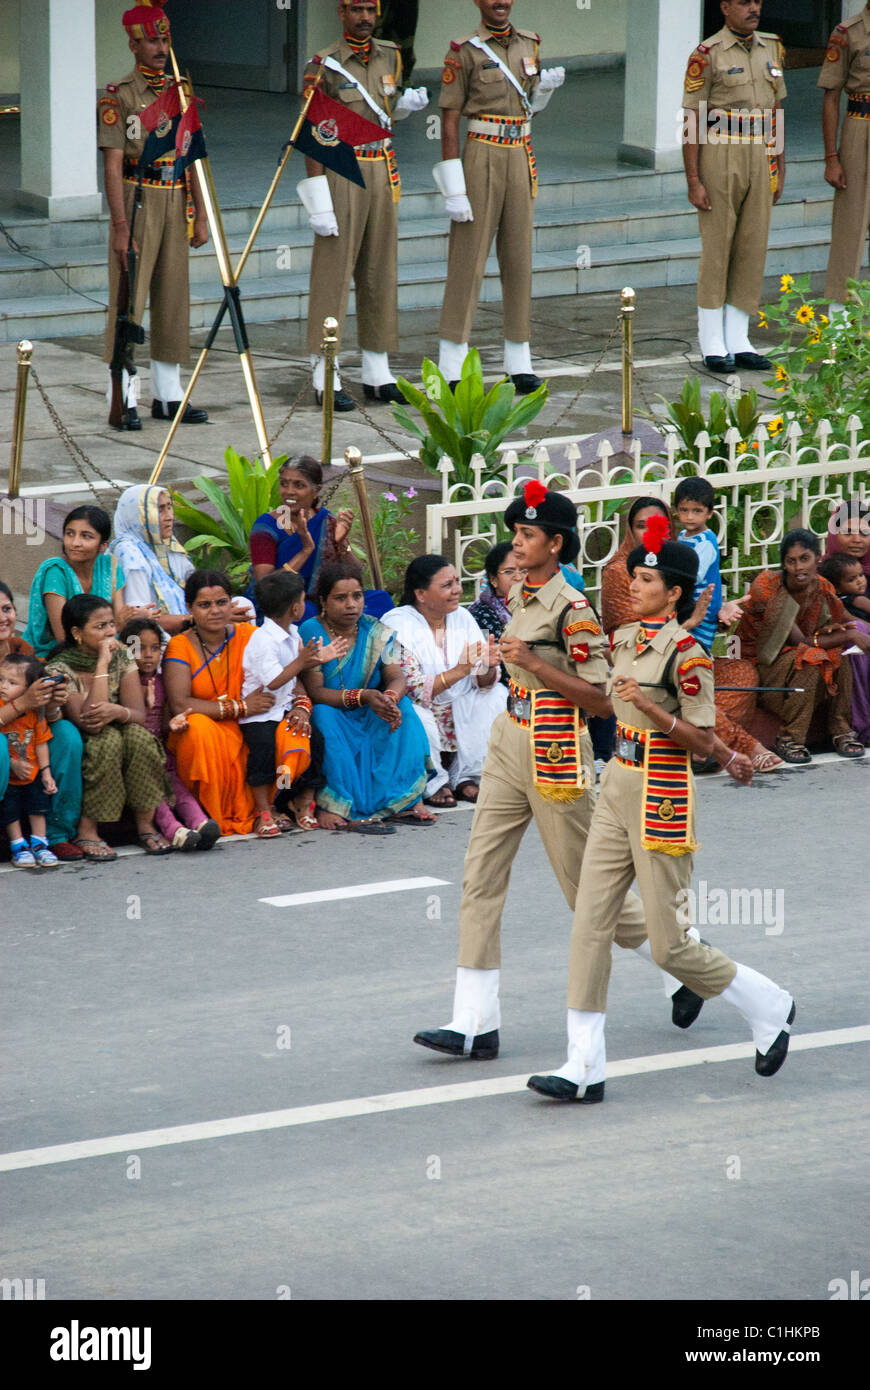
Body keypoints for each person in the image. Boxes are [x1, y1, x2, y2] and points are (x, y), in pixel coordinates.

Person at [412, 484, 717, 1063]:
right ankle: (474, 1022)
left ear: (556, 543)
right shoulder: (518, 595)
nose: (517, 543)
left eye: (528, 535)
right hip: (508, 738)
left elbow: (602, 700)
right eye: (516, 533)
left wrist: (530, 664)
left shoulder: (573, 610)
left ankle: (684, 957)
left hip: (555, 749)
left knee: (585, 893)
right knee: (479, 878)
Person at [527, 520, 795, 1103]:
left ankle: (767, 1002)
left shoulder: (688, 655)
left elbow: (698, 739)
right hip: (617, 782)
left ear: (673, 593)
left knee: (671, 945)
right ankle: (583, 1066)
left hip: (663, 793)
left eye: (646, 579)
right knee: (590, 922)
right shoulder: (623, 637)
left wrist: (658, 709)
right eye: (635, 575)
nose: (635, 584)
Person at [299, 1, 428, 409]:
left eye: (371, 10)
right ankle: (324, 372)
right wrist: (317, 194)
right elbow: (312, 130)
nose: (366, 18)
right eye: (356, 10)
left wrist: (403, 110)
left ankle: (377, 370)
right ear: (341, 13)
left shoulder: (391, 55)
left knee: (379, 270)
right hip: (343, 168)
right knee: (334, 273)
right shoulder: (325, 64)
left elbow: (385, 110)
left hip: (382, 167)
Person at [435, 0, 565, 391]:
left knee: (518, 257)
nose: (501, 3)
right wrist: (453, 185)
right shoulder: (465, 51)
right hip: (482, 154)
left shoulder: (530, 44)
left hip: (521, 153)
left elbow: (529, 108)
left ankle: (518, 360)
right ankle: (452, 364)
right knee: (467, 259)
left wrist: (544, 94)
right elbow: (450, 118)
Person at [98, 3, 208, 429]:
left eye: (164, 40)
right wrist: (121, 226)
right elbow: (111, 165)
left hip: (175, 195)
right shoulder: (119, 95)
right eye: (151, 40)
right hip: (138, 195)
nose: (161, 48)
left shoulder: (180, 90)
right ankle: (122, 396)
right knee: (129, 303)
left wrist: (199, 215)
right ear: (132, 44)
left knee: (172, 297)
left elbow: (191, 155)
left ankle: (168, 394)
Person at [682, 0, 786, 371]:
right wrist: (693, 179)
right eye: (744, 2)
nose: (753, 8)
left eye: (757, 2)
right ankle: (711, 339)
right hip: (721, 150)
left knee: (752, 245)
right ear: (725, 7)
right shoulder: (707, 53)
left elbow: (776, 109)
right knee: (718, 246)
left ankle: (739, 336)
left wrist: (779, 162)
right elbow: (693, 118)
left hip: (760, 153)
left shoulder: (771, 47)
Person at [299, 562, 436, 833]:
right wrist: (363, 696)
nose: (351, 604)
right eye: (341, 598)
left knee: (405, 710)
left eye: (357, 596)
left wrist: (389, 699)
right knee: (323, 717)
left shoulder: (377, 631)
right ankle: (336, 806)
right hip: (334, 709)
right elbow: (316, 692)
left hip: (372, 706)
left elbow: (396, 676)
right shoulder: (311, 631)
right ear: (324, 601)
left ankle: (404, 800)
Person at [48, 595, 172, 860]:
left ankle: (145, 824)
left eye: (111, 625)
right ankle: (88, 829)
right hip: (81, 735)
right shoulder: (60, 668)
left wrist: (118, 711)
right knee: (107, 741)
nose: (110, 632)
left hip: (119, 724)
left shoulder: (124, 658)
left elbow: (138, 715)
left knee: (140, 738)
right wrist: (102, 664)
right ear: (77, 633)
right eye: (100, 626)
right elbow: (89, 722)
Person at [382, 555, 507, 806]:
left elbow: (484, 682)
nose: (458, 590)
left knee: (497, 696)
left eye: (457, 582)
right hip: (417, 704)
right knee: (418, 714)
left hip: (459, 702)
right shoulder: (395, 624)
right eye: (447, 585)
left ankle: (466, 777)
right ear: (421, 593)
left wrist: (488, 665)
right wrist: (462, 669)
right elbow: (413, 689)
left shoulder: (463, 617)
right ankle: (435, 781)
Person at [736, 528, 870, 763]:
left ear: (818, 558)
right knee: (813, 657)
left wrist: (846, 632)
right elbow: (801, 642)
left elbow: (844, 618)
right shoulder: (768, 585)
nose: (798, 567)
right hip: (763, 667)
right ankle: (790, 738)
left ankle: (841, 729)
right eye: (791, 561)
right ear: (784, 563)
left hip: (802, 669)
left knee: (843, 653)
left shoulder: (822, 586)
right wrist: (849, 636)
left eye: (804, 559)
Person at [163, 572, 275, 837]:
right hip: (205, 732)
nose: (215, 611)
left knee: (282, 732)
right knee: (198, 727)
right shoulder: (179, 646)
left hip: (246, 727)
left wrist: (301, 706)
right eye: (204, 605)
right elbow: (180, 703)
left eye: (222, 602)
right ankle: (209, 811)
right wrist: (241, 707)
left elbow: (281, 679)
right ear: (189, 608)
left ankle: (271, 808)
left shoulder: (250, 636)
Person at [240, 570, 335, 837]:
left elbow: (296, 674)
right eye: (304, 600)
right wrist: (302, 662)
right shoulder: (262, 639)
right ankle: (264, 810)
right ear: (296, 607)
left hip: (284, 709)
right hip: (260, 712)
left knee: (313, 741)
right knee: (265, 751)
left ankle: (302, 801)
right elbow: (273, 680)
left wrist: (318, 658)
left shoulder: (293, 634)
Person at [119, 616, 221, 850]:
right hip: (137, 756)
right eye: (139, 648)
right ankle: (174, 831)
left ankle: (201, 823)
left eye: (155, 648)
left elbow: (163, 723)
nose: (148, 655)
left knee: (178, 786)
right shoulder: (124, 680)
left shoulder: (162, 681)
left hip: (162, 751)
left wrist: (173, 724)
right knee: (155, 792)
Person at [0, 580, 84, 860]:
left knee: (67, 734)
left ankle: (55, 833)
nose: (3, 618)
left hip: (25, 732)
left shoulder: (20, 648)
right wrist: (23, 702)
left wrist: (52, 700)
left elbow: (45, 717)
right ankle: (11, 835)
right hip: (5, 740)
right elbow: (25, 705)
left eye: (7, 608)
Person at [248, 458, 356, 623]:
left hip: (324, 600)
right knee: (308, 614)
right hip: (278, 606)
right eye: (284, 484)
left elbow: (355, 572)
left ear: (316, 490)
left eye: (299, 485)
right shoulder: (266, 527)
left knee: (379, 599)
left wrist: (340, 543)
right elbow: (266, 586)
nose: (289, 491)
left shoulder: (325, 521)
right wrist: (305, 550)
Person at [23, 506, 136, 660]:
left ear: (102, 545)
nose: (75, 543)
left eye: (86, 536)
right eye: (70, 534)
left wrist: (136, 615)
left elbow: (119, 614)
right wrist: (117, 626)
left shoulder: (109, 566)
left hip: (102, 647)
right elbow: (65, 637)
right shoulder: (55, 572)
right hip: (57, 656)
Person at [818, 6, 870, 315]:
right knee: (850, 227)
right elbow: (831, 96)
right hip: (860, 128)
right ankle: (838, 326)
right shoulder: (848, 32)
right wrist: (831, 157)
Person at [0, 653, 58, 867]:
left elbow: (41, 743)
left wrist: (46, 773)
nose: (4, 686)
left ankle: (40, 844)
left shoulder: (35, 713)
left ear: (29, 689)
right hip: (10, 776)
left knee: (38, 807)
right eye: (0, 680)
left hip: (32, 774)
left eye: (12, 682)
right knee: (10, 810)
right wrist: (12, 764)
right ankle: (18, 846)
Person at [817, 552, 870, 745]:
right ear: (837, 588)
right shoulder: (857, 600)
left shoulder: (841, 600)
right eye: (852, 579)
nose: (860, 582)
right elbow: (856, 623)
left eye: (861, 575)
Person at [466, 540, 525, 683]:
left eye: (524, 570)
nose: (518, 577)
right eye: (509, 572)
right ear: (493, 580)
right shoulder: (483, 615)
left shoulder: (534, 604)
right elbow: (489, 669)